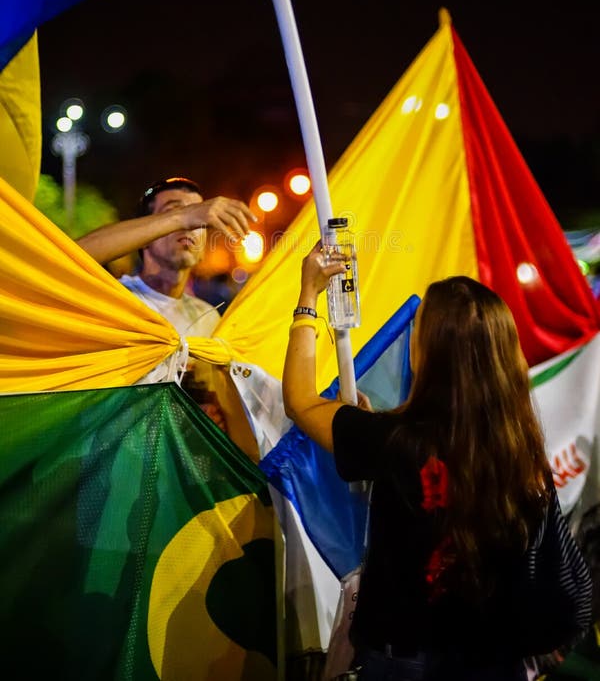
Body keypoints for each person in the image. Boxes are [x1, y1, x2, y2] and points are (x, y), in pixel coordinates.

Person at [282, 243, 592, 680]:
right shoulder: (523, 452)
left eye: (419, 328)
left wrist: (308, 296)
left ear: (429, 352)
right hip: (496, 665)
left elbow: (299, 401)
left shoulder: (394, 443)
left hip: (404, 664)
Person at [77, 177, 256, 431]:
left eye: (200, 218)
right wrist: (183, 217)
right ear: (147, 234)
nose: (191, 225)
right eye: (174, 211)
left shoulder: (208, 316)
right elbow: (68, 257)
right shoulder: (114, 299)